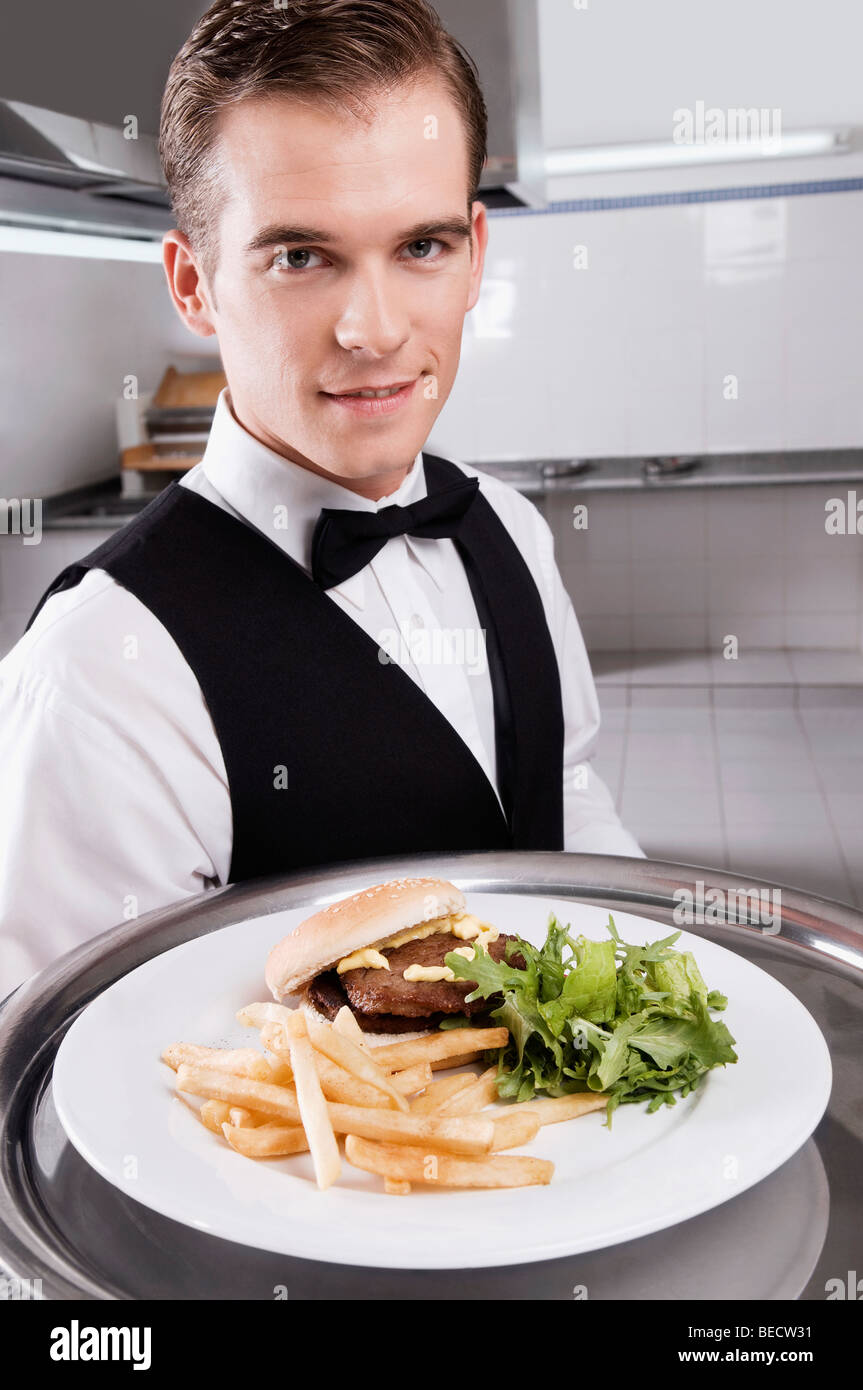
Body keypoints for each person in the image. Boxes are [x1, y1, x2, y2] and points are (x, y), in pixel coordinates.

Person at [0, 0, 642, 1000]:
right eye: (302, 257)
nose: (375, 329)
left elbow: (561, 798)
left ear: (475, 252)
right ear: (195, 284)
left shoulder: (510, 530)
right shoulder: (99, 673)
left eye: (420, 247)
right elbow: (62, 1080)